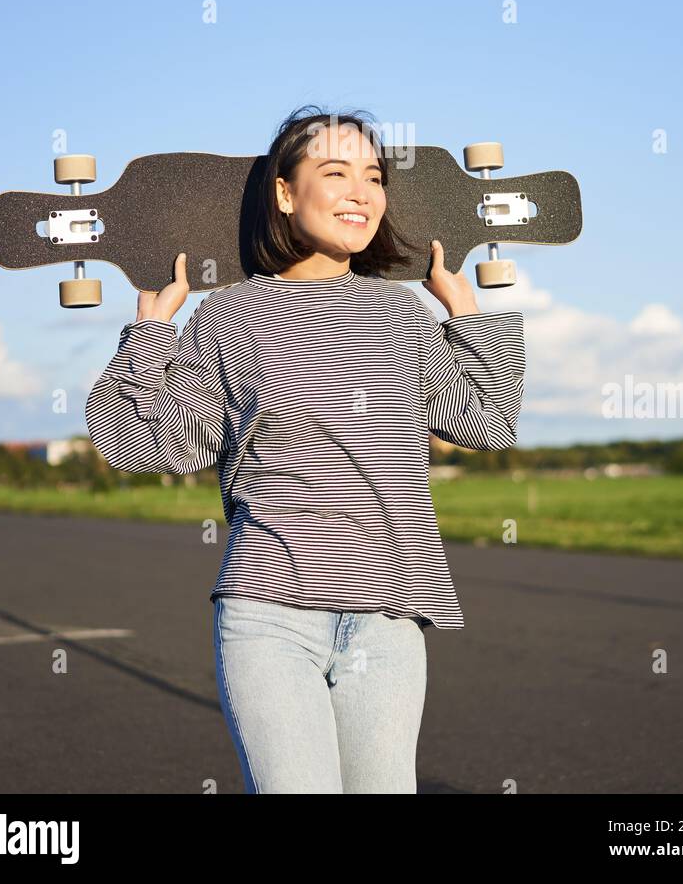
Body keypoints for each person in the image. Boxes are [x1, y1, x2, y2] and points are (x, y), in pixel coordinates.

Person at [85, 105, 525, 793]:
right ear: (286, 195)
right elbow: (145, 443)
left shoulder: (400, 315)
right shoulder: (232, 314)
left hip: (386, 619)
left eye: (374, 177)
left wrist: (462, 312)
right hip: (269, 617)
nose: (361, 192)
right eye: (336, 172)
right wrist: (149, 337)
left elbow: (488, 421)